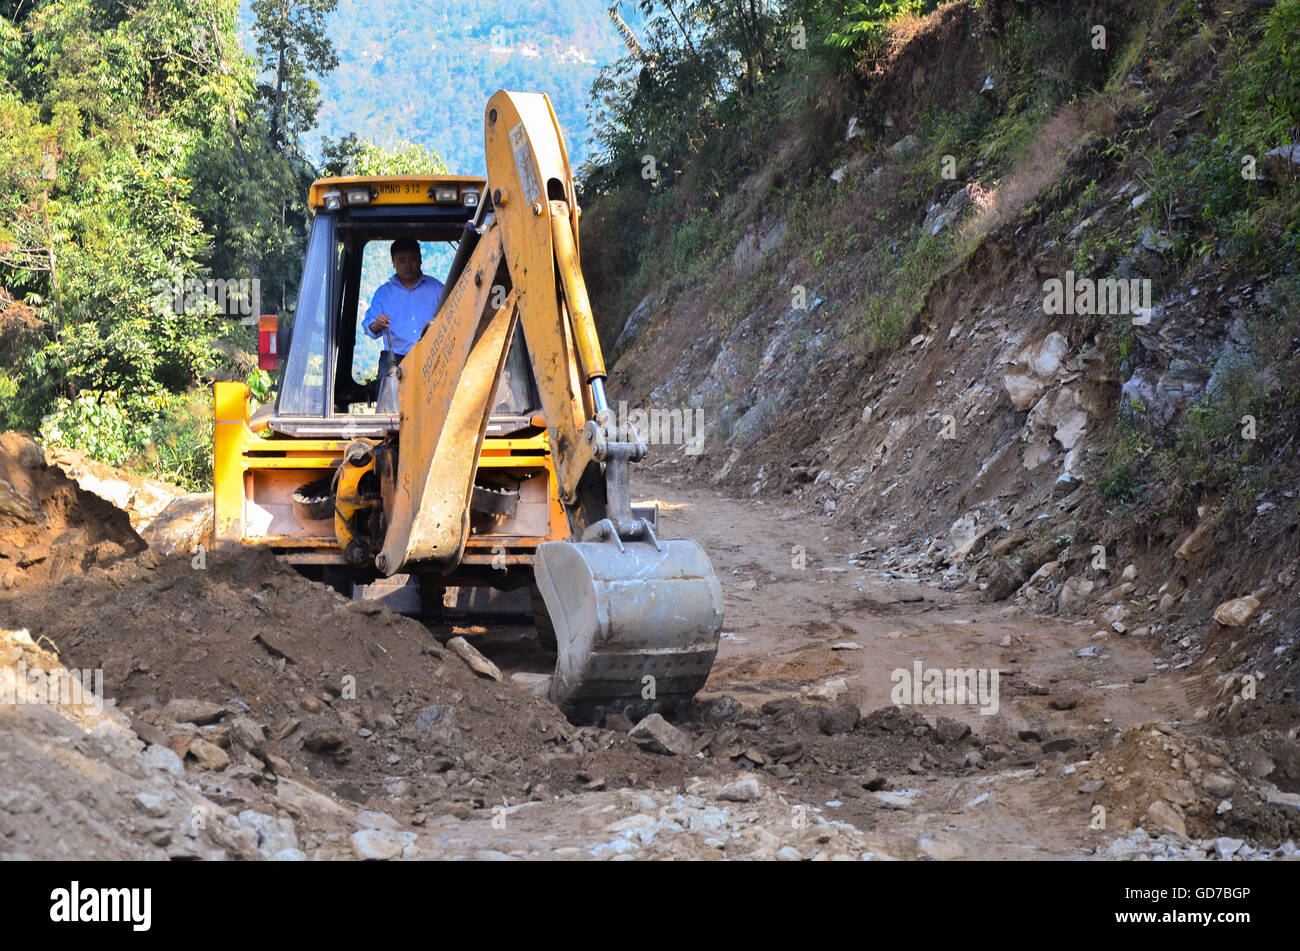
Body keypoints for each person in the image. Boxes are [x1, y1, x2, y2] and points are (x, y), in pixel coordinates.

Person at [363, 238, 444, 360]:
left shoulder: (437, 289)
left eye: (412, 260)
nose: (407, 265)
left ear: (420, 259)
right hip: (395, 357)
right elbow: (370, 329)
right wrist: (377, 324)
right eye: (401, 261)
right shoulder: (383, 293)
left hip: (433, 354)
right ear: (393, 263)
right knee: (385, 378)